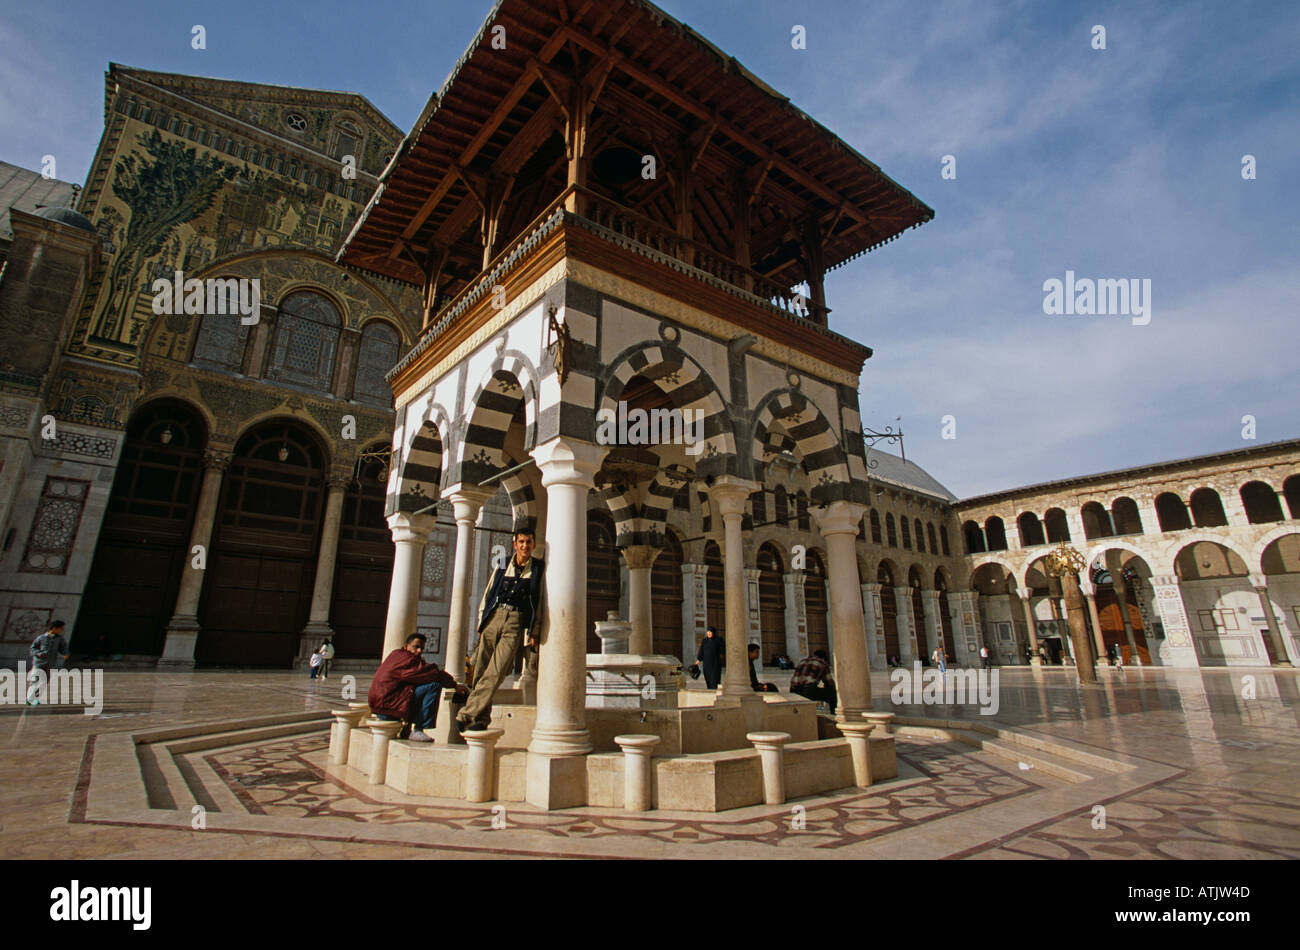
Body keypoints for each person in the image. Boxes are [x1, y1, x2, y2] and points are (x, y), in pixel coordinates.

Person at [457, 528, 545, 733]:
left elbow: (539, 602)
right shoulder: (503, 562)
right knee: (480, 670)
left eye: (529, 542)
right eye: (521, 542)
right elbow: (489, 592)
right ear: (515, 544)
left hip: (515, 622)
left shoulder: (538, 568)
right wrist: (481, 622)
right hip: (494, 617)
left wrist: (534, 630)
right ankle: (481, 719)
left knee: (497, 671)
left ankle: (466, 714)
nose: (525, 546)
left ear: (533, 545)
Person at [368, 633, 465, 741]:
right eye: (416, 647)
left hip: (382, 703)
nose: (419, 651)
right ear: (406, 646)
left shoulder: (396, 654)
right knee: (433, 686)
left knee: (417, 685)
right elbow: (433, 673)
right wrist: (455, 685)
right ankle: (418, 730)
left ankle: (407, 728)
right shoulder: (408, 659)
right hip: (388, 705)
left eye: (421, 648)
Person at [27, 620, 69, 705]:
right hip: (39, 664)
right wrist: (39, 653)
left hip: (50, 664)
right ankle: (29, 699)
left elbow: (63, 648)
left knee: (44, 682)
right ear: (54, 628)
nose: (61, 630)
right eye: (60, 628)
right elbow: (32, 649)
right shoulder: (41, 638)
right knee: (35, 681)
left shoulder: (59, 639)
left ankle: (36, 698)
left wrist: (66, 653)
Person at [790, 649, 837, 714]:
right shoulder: (822, 662)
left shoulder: (803, 661)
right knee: (832, 693)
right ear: (823, 657)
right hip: (807, 691)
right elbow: (829, 682)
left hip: (794, 690)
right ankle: (834, 713)